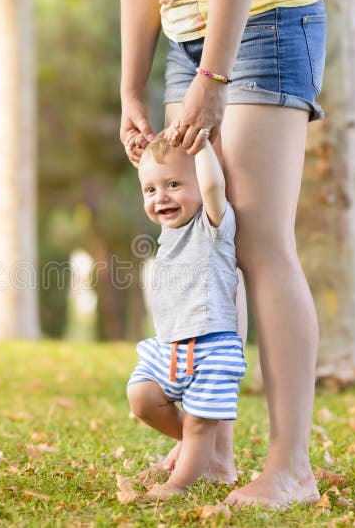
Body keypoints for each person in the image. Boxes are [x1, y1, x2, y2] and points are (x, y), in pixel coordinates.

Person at [120, 0, 326, 509]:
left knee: (260, 242)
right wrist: (129, 91)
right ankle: (212, 456)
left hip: (264, 20)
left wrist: (213, 76)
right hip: (183, 37)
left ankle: (291, 468)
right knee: (203, 241)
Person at [127, 133, 246, 499]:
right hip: (169, 348)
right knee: (141, 396)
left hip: (210, 348)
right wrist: (145, 154)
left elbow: (212, 183)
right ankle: (199, 446)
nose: (160, 196)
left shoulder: (212, 225)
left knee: (197, 426)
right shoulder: (167, 233)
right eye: (150, 189)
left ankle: (180, 482)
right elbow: (155, 174)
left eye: (174, 184)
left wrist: (201, 145)